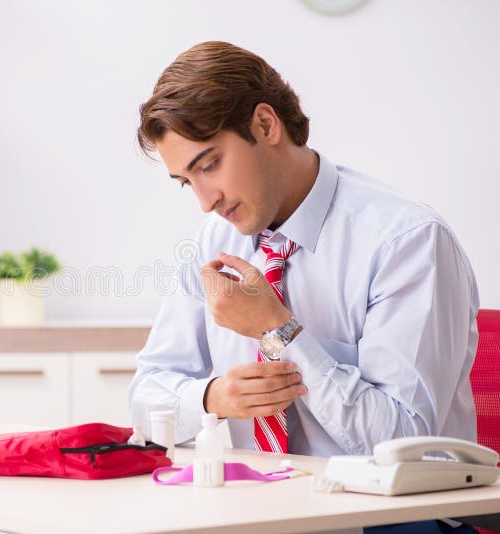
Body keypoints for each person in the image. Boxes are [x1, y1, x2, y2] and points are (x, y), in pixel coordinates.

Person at [128, 41, 479, 461]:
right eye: (187, 181)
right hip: (270, 508)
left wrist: (280, 330)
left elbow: (403, 443)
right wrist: (213, 396)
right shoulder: (214, 242)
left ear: (265, 124)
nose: (206, 201)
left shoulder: (406, 242)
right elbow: (146, 396)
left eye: (209, 165)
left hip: (392, 516)